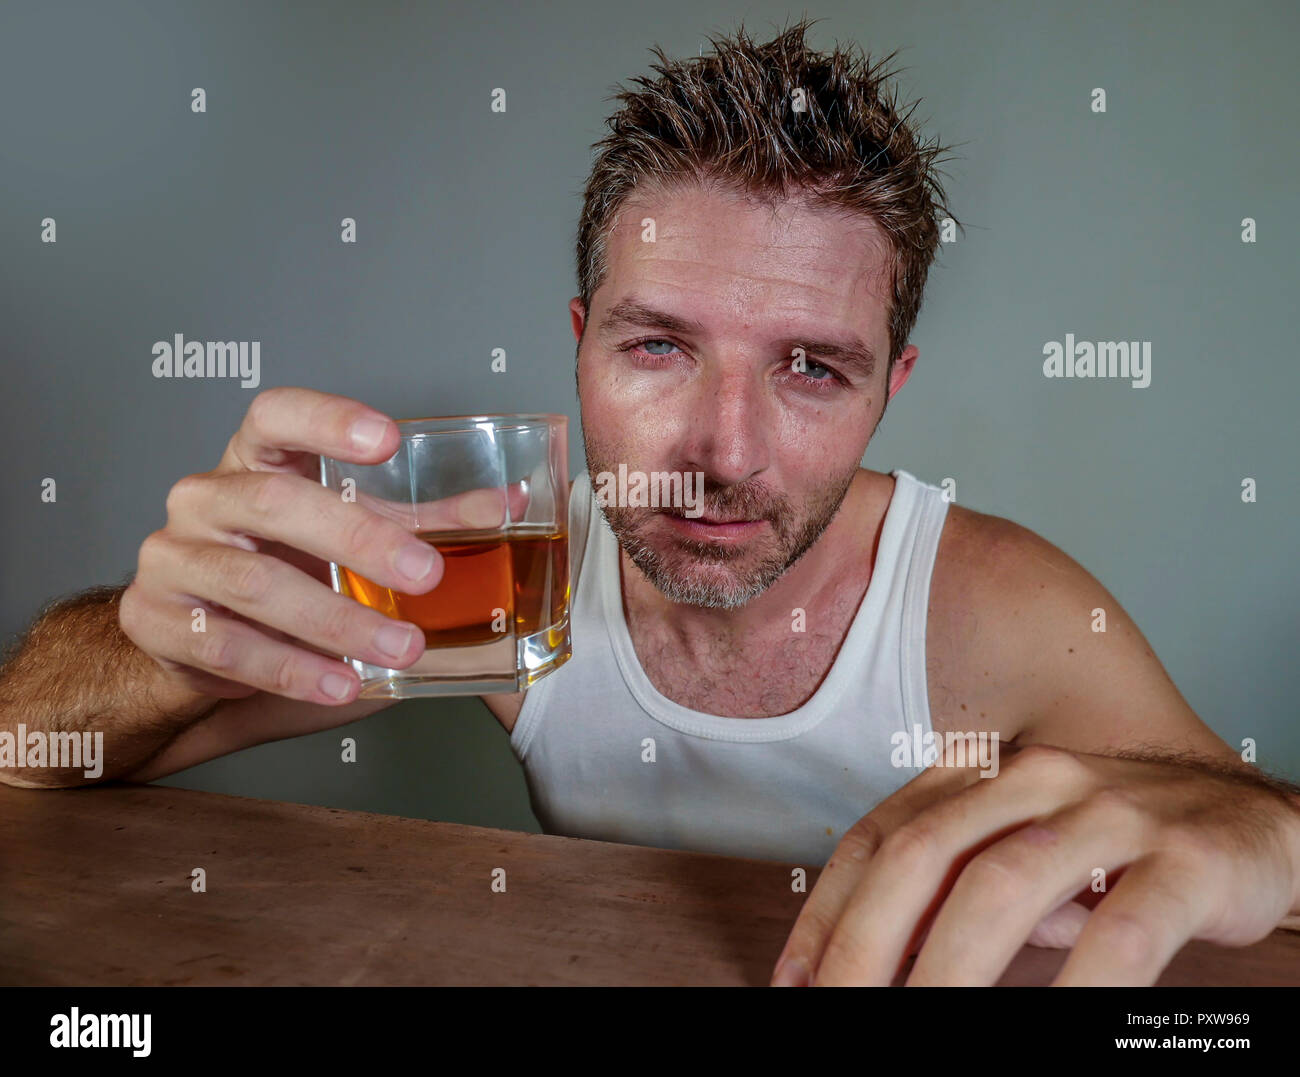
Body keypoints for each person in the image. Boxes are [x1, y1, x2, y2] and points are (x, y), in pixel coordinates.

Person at [2, 19, 1297, 987]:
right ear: (580, 342)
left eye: (809, 366)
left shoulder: (1000, 608)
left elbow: (1250, 842)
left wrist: (1263, 836)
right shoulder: (500, 575)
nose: (720, 451)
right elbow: (26, 748)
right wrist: (152, 634)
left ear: (890, 386)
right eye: (658, 346)